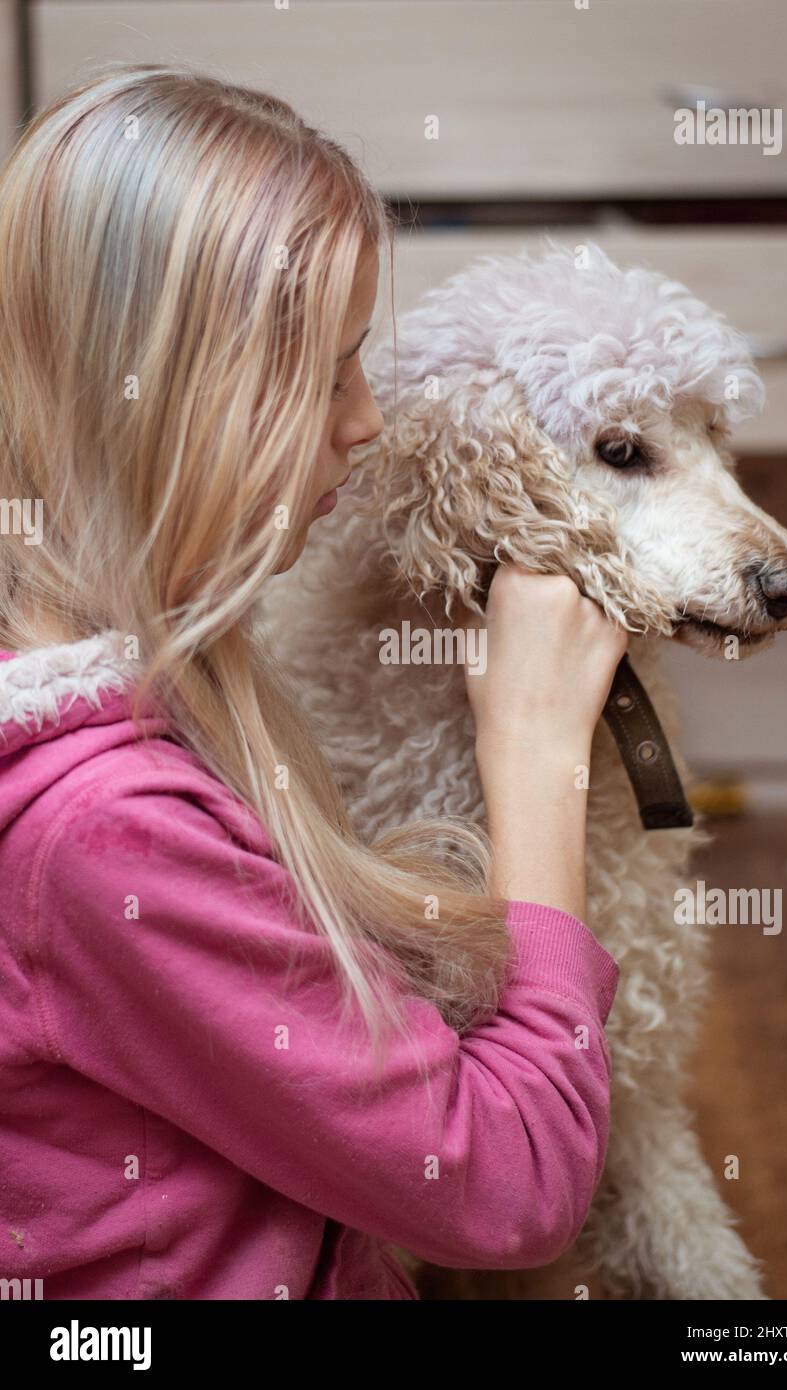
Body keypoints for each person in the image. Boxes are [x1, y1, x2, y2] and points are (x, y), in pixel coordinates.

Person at [0, 65, 626, 1300]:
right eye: (328, 370)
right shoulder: (101, 832)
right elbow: (508, 1186)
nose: (367, 421)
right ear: (177, 395)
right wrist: (537, 746)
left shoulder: (122, 675)